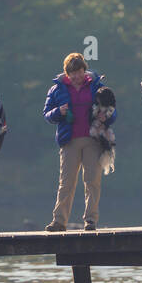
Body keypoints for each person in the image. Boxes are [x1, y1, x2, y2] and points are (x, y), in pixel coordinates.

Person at [43, 53, 113, 232]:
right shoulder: (57, 89)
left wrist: (106, 116)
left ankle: (90, 220)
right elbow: (47, 115)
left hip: (93, 139)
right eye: (72, 73)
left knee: (92, 181)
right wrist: (58, 111)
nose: (76, 76)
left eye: (79, 71)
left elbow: (112, 109)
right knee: (66, 182)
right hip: (69, 140)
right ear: (66, 73)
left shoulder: (96, 86)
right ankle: (59, 221)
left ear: (84, 70)